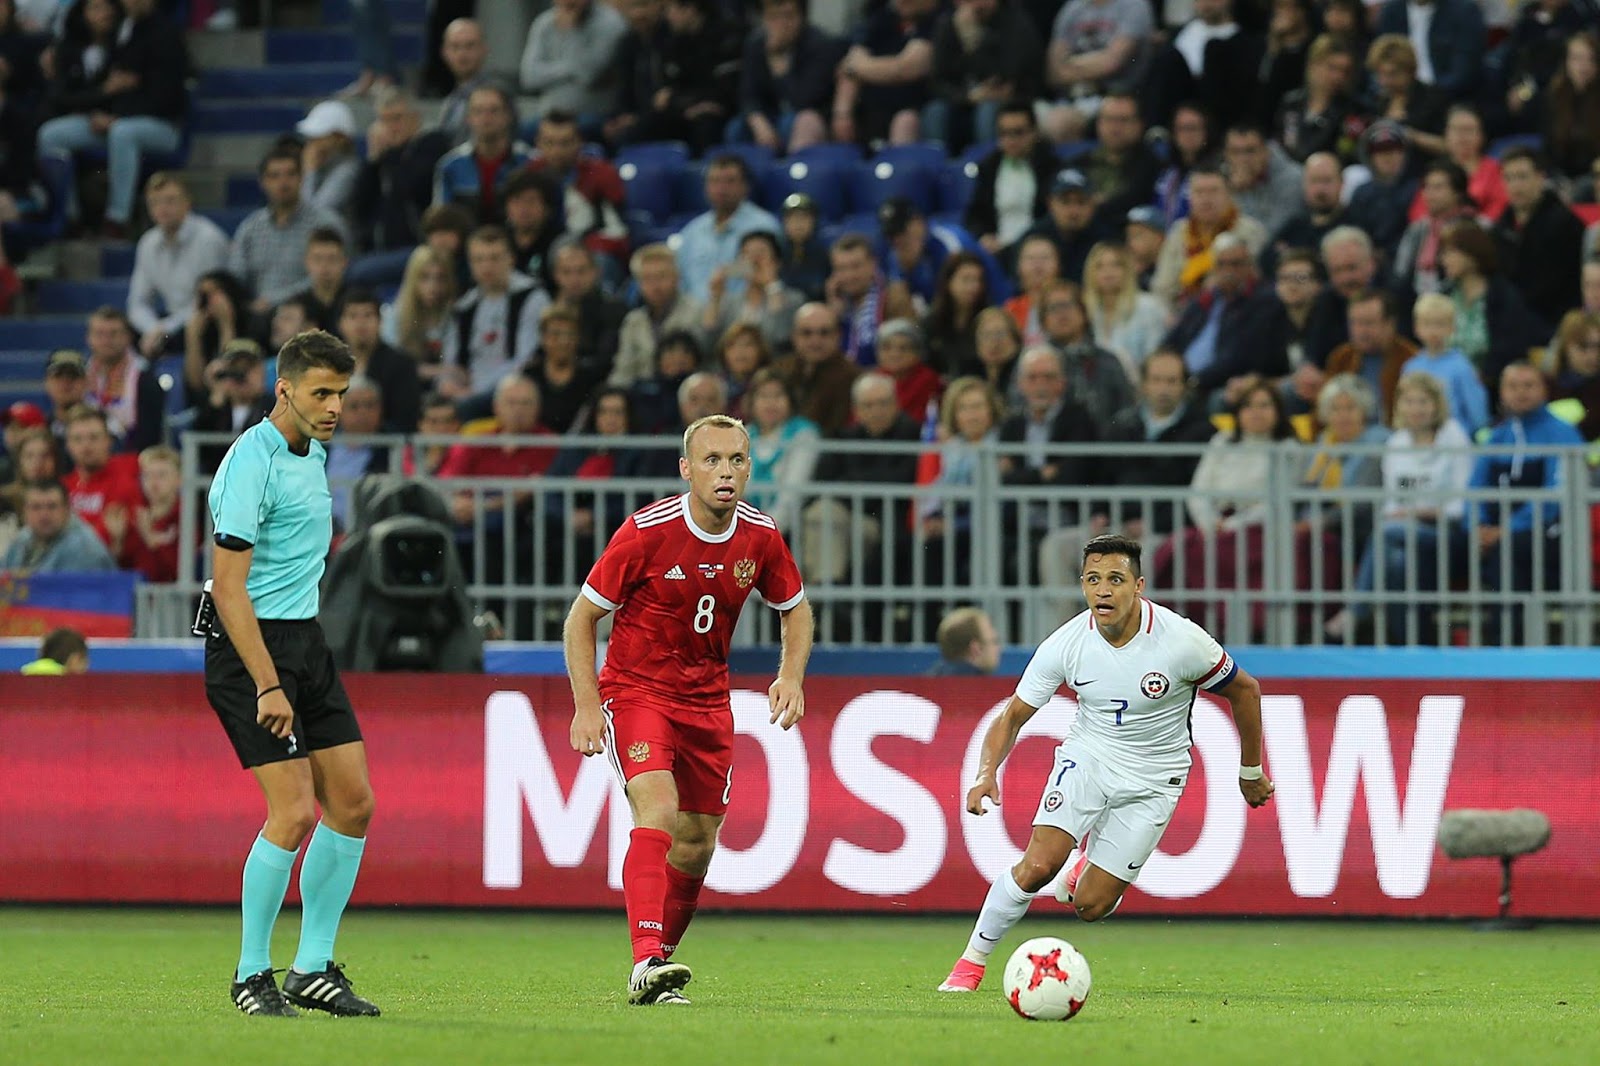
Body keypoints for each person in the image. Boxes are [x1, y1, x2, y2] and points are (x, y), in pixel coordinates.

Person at [937, 533, 1271, 993]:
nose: (1103, 591)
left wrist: (1250, 771)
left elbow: (1245, 691)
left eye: (1115, 579)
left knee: (1090, 906)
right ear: (1082, 585)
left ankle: (1087, 866)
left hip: (1156, 778)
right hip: (1089, 758)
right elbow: (1013, 715)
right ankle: (969, 965)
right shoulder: (1066, 644)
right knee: (1038, 867)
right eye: (1093, 580)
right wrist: (985, 773)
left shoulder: (1181, 640)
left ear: (1138, 586)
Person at [564, 413, 813, 1006]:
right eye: (711, 461)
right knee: (658, 810)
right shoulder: (646, 533)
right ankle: (644, 956)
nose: (724, 472)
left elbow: (796, 609)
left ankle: (657, 971)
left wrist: (791, 675)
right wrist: (585, 704)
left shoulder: (760, 535)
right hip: (637, 691)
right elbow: (581, 618)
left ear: (750, 468)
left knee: (698, 843)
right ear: (686, 469)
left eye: (735, 461)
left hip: (707, 702)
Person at [203, 329, 379, 1018]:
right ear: (284, 389)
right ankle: (252, 974)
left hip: (304, 642)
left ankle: (311, 968)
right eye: (322, 393)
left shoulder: (314, 455)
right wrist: (268, 683)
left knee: (354, 804)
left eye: (342, 393)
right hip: (251, 650)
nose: (335, 406)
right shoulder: (253, 460)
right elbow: (228, 587)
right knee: (295, 809)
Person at [127, 172, 230, 358]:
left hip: (204, 317)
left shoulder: (208, 239)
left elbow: (206, 302)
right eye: (155, 202)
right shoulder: (148, 243)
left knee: (199, 328)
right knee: (121, 333)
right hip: (168, 323)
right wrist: (153, 329)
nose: (163, 208)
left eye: (170, 200)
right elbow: (137, 303)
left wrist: (163, 329)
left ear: (187, 202)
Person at [3, 478, 116, 572]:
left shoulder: (84, 549)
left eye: (52, 506)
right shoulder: (23, 537)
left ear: (67, 510)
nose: (44, 515)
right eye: (36, 507)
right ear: (25, 512)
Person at [927, 606, 1000, 676]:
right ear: (976, 648)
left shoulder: (929, 679)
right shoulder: (982, 686)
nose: (998, 648)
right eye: (994, 641)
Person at [19, 626, 90, 675]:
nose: (86, 667)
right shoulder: (66, 685)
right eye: (84, 660)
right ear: (75, 658)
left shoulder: (23, 673)